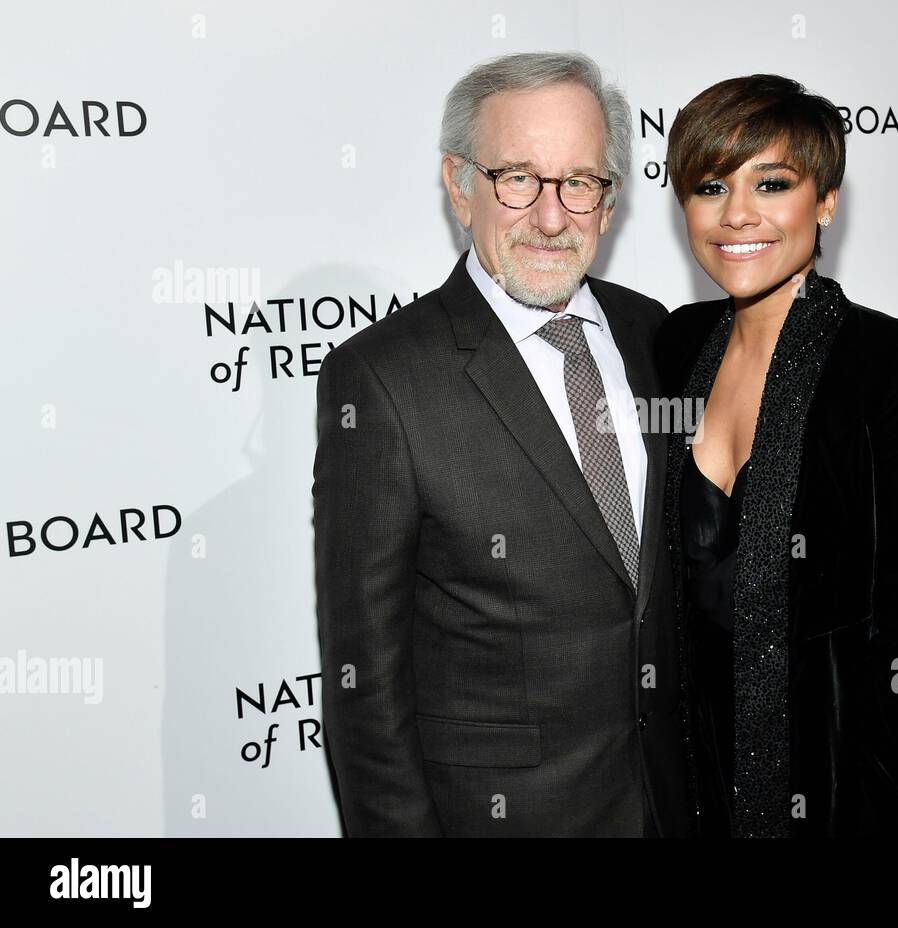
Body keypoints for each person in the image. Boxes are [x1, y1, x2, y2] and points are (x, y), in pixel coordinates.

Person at [314, 51, 688, 837]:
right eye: (517, 178)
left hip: (675, 803)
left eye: (579, 182)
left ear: (610, 201)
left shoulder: (657, 333)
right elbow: (366, 691)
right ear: (459, 186)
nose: (552, 218)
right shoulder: (383, 380)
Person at [655, 73, 898, 837]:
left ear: (827, 201)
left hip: (849, 785)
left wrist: (887, 810)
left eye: (771, 183)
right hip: (697, 778)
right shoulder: (676, 346)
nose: (737, 214)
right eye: (711, 186)